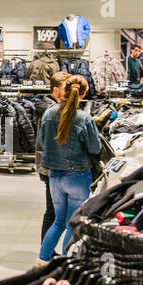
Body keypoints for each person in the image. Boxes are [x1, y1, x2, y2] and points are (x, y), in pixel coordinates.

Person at [38, 73, 102, 262]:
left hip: (54, 175)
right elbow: (95, 148)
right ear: (82, 95)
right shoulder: (84, 118)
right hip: (78, 175)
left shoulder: (49, 114)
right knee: (72, 224)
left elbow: (42, 142)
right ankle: (66, 262)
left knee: (58, 222)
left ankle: (43, 259)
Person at [35, 72, 70, 241]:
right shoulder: (52, 110)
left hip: (48, 164)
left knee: (53, 211)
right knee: (53, 212)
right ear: (56, 90)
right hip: (51, 166)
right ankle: (46, 251)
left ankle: (47, 250)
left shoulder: (51, 108)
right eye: (66, 88)